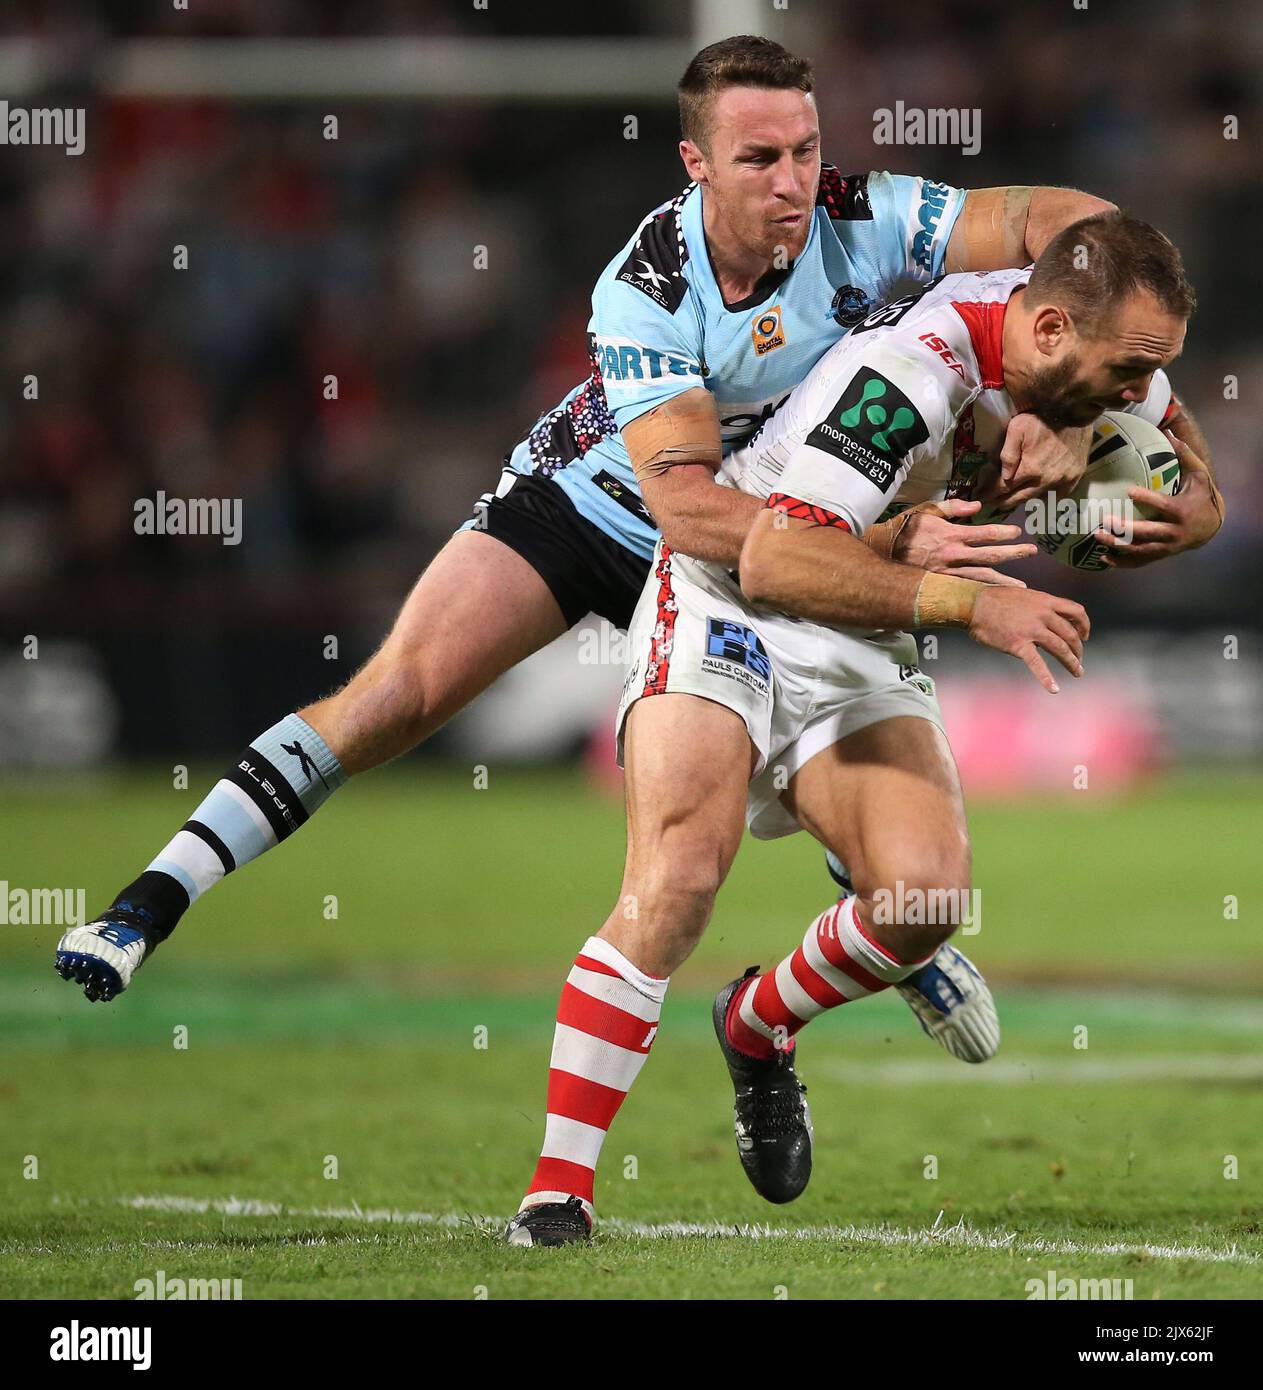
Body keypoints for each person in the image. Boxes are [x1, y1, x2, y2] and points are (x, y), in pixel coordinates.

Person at [504, 211, 1221, 1246]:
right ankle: (557, 1195)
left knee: (926, 895)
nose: (1142, 393)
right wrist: (975, 604)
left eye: (1152, 374)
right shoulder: (909, 373)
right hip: (733, 600)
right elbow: (775, 561)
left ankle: (756, 1027)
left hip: (862, 620)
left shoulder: (1094, 359)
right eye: (1130, 373)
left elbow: (1197, 492)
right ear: (1053, 326)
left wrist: (1154, 512)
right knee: (681, 878)